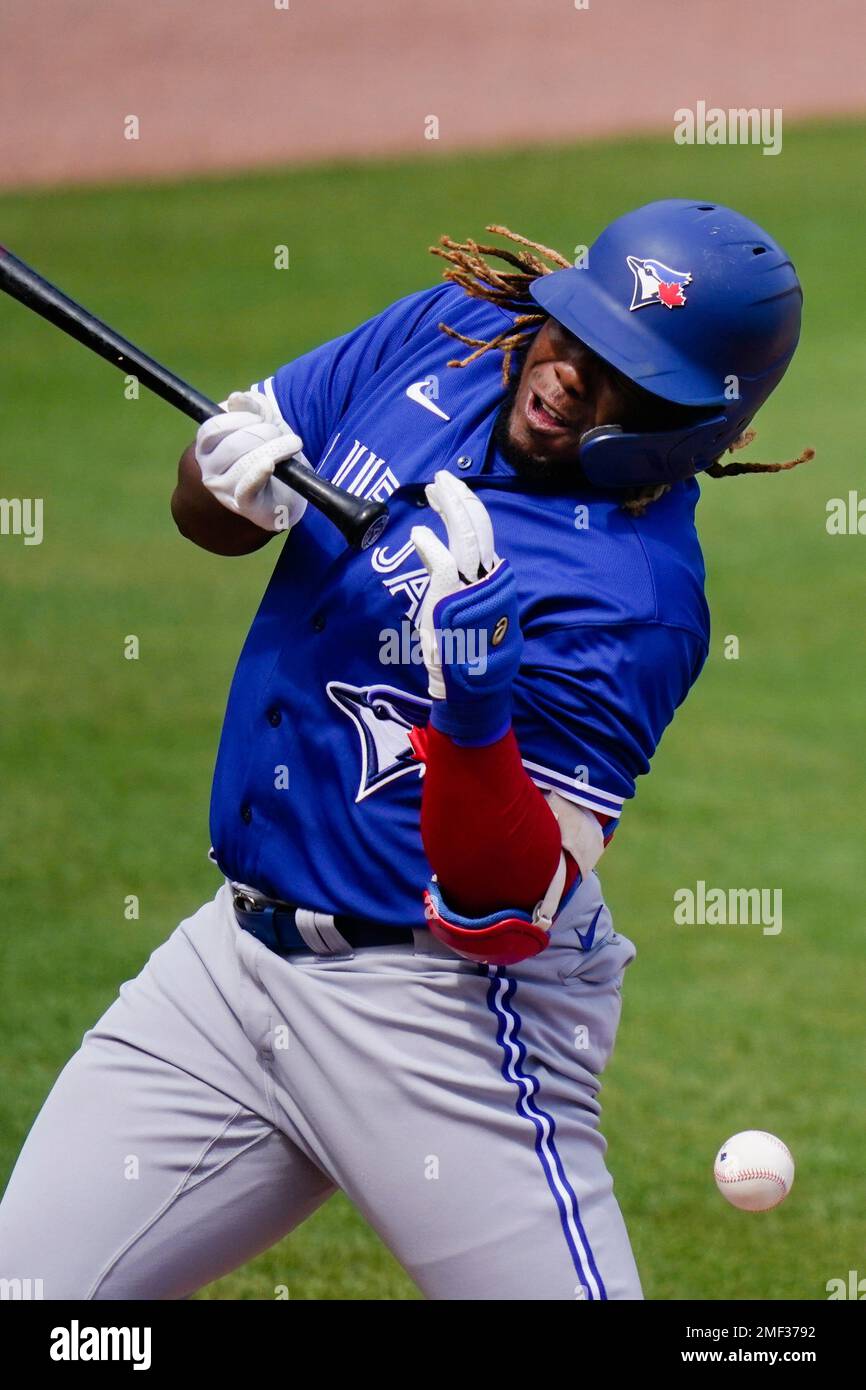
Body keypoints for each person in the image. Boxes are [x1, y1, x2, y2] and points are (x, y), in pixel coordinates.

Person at [0, 200, 807, 1301]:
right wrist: (230, 482)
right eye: (570, 328)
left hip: (438, 1019)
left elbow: (503, 905)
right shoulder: (451, 334)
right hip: (230, 970)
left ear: (687, 424)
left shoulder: (636, 602)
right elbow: (209, 511)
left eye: (617, 368)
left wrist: (473, 699)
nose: (564, 372)